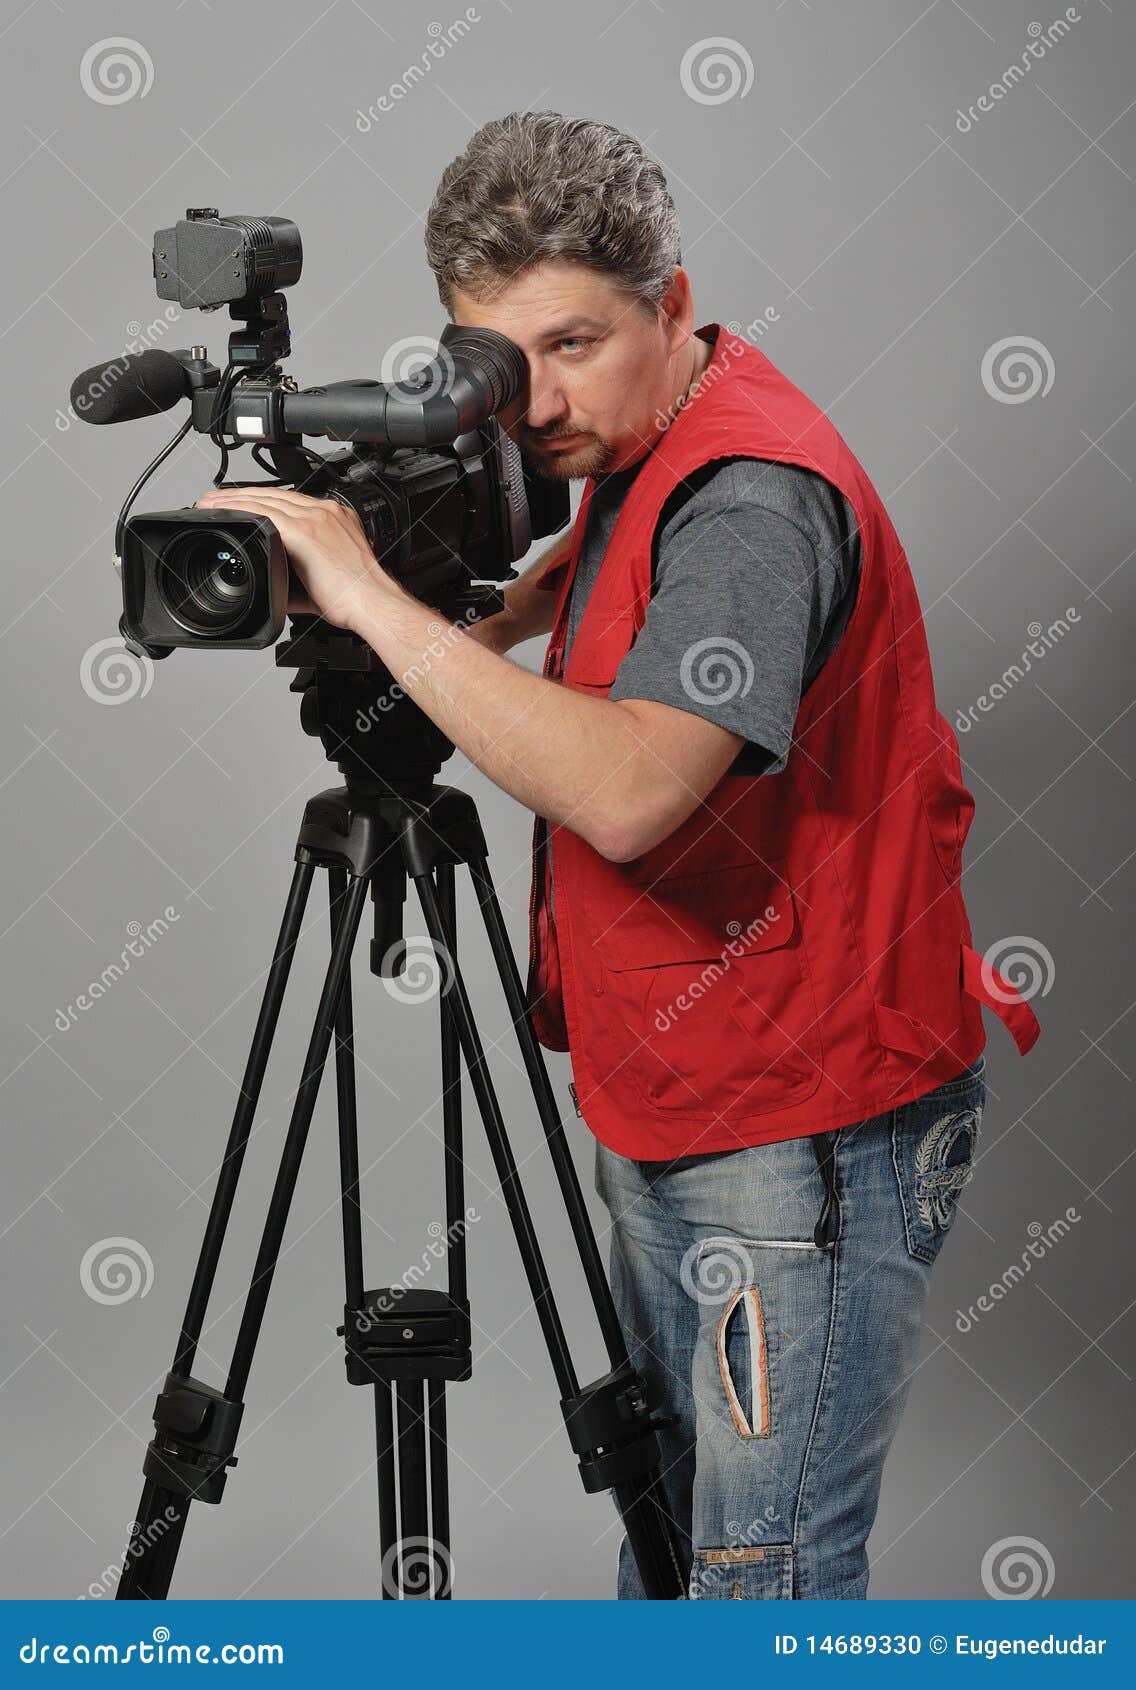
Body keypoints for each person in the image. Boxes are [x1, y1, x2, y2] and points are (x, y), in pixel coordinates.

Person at [195, 111, 1040, 1599]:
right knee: (678, 1547)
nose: (537, 401)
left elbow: (641, 791)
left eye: (576, 342)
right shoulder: (658, 447)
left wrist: (376, 607)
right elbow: (603, 568)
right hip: (699, 1085)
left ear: (673, 301)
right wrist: (494, 617)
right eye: (502, 361)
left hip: (803, 1131)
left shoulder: (753, 504)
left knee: (754, 1580)